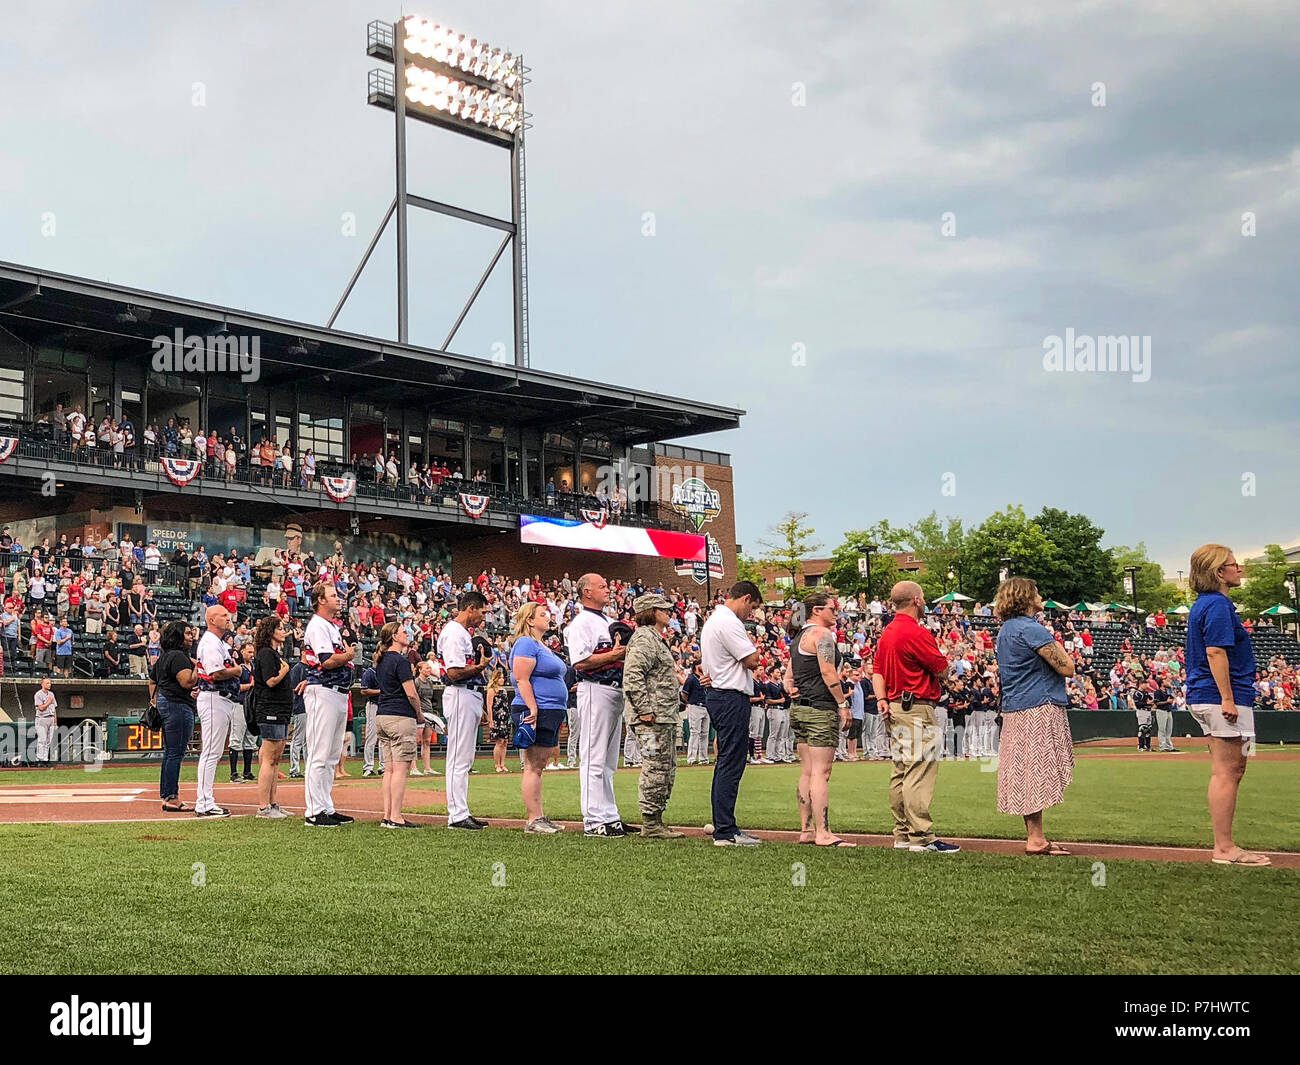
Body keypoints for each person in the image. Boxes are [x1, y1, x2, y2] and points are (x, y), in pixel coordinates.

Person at [1184, 544, 1269, 866]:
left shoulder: (1209, 604)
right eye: (1234, 564)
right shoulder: (1217, 605)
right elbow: (1215, 652)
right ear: (1220, 572)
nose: (1240, 569)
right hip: (1220, 695)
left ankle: (1225, 846)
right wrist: (1228, 698)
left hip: (1212, 694)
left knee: (1231, 769)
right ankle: (1224, 848)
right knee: (1228, 770)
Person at [872, 581, 960, 853]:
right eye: (922, 598)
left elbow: (877, 671)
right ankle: (921, 836)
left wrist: (882, 699)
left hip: (895, 706)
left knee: (900, 770)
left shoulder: (887, 632)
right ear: (916, 601)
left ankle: (902, 833)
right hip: (917, 706)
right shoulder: (915, 632)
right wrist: (950, 665)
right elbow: (942, 669)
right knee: (918, 770)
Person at [992, 578, 1075, 855]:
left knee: (1025, 771)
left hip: (1015, 706)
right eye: (1036, 592)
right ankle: (1036, 839)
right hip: (1039, 704)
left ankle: (1035, 836)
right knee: (1038, 771)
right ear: (1025, 597)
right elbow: (1067, 667)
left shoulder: (1005, 630)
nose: (1040, 595)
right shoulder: (1031, 628)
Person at [785, 591, 855, 846]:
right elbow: (828, 672)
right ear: (816, 610)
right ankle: (823, 833)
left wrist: (790, 688)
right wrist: (842, 704)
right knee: (820, 772)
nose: (835, 613)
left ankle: (806, 830)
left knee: (806, 771)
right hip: (819, 709)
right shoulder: (821, 635)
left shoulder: (799, 637)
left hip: (799, 709)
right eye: (831, 609)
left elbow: (788, 676)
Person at [565, 573, 631, 837]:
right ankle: (593, 820)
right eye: (602, 586)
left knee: (608, 760)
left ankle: (609, 815)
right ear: (586, 592)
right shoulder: (581, 622)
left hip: (615, 690)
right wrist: (613, 654)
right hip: (594, 688)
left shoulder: (610, 621)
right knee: (593, 757)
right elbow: (579, 663)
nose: (608, 589)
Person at [700, 580, 764, 846]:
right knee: (731, 762)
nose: (751, 615)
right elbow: (753, 660)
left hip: (721, 692)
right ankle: (725, 830)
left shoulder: (716, 619)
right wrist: (752, 645)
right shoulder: (728, 621)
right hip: (729, 695)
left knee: (727, 760)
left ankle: (723, 824)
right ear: (745, 598)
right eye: (753, 607)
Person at [622, 593, 685, 839]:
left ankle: (656, 819)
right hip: (650, 719)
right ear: (652, 612)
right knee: (655, 768)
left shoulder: (654, 639)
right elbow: (633, 676)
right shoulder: (644, 640)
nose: (668, 612)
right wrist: (645, 710)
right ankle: (650, 823)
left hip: (662, 716)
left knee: (665, 768)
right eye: (663, 609)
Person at [300, 582, 357, 827]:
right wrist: (348, 655)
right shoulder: (318, 625)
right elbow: (327, 661)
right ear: (320, 600)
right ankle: (314, 811)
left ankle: (326, 806)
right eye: (333, 595)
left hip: (337, 692)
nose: (338, 598)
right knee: (319, 753)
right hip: (322, 691)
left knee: (332, 755)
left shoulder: (331, 626)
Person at [509, 602, 569, 833]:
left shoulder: (539, 645)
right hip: (536, 708)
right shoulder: (525, 642)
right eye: (542, 614)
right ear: (530, 620)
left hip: (549, 708)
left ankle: (539, 816)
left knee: (539, 765)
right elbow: (521, 678)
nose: (548, 617)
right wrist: (532, 708)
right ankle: (534, 819)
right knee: (533, 765)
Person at [438, 590, 491, 829]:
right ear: (470, 608)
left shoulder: (462, 633)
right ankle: (457, 814)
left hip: (469, 693)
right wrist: (479, 667)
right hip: (459, 692)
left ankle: (462, 810)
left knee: (465, 757)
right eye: (482, 610)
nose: (483, 616)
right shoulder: (452, 632)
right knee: (458, 757)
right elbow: (453, 672)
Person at [371, 622, 425, 828]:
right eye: (403, 631)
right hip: (400, 716)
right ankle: (396, 816)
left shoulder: (382, 660)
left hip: (383, 715)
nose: (407, 633)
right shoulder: (400, 661)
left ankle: (387, 815)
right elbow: (411, 692)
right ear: (394, 636)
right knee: (401, 769)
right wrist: (419, 713)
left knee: (389, 769)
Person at [193, 605, 241, 817]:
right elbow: (216, 673)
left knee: (213, 752)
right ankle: (204, 803)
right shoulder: (211, 642)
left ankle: (205, 801)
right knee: (211, 752)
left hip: (220, 699)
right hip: (213, 698)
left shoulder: (218, 642)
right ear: (211, 620)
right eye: (223, 615)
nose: (227, 617)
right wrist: (237, 670)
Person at [149, 621, 198, 812]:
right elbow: (187, 682)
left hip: (167, 702)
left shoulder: (164, 657)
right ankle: (171, 797)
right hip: (177, 705)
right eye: (187, 633)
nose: (191, 636)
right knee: (175, 753)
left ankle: (167, 795)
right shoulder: (179, 656)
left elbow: (152, 681)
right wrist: (198, 666)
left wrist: (155, 702)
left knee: (170, 752)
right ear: (178, 636)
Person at [251, 615, 292, 819]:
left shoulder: (274, 653)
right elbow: (270, 681)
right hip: (270, 710)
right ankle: (263, 806)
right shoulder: (266, 654)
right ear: (271, 632)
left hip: (281, 710)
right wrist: (285, 670)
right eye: (280, 628)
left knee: (275, 759)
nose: (283, 631)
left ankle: (273, 803)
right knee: (269, 757)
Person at [227, 642, 258, 783]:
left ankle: (247, 771)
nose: (251, 655)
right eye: (249, 652)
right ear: (242, 652)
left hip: (251, 705)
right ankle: (233, 773)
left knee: (250, 739)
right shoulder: (238, 668)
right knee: (236, 737)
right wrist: (250, 686)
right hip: (239, 704)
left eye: (252, 652)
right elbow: (235, 687)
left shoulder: (254, 668)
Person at [412, 660, 442, 776]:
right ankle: (413, 767)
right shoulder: (416, 682)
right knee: (417, 740)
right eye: (427, 668)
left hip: (429, 712)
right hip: (420, 712)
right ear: (420, 670)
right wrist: (418, 711)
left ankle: (427, 767)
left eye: (430, 668)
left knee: (427, 741)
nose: (429, 670)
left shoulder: (429, 682)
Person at [359, 658, 386, 778]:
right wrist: (380, 691)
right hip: (373, 705)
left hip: (384, 705)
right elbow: (363, 690)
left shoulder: (384, 672)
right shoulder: (370, 672)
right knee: (371, 737)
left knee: (383, 737)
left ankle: (383, 766)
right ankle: (368, 767)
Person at [681, 660, 710, 765]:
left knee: (705, 734)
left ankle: (704, 758)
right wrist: (689, 702)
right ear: (697, 666)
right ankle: (691, 758)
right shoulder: (691, 679)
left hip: (706, 707)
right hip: (695, 706)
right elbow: (684, 694)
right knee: (694, 733)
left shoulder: (705, 678)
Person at [487, 665, 512, 773]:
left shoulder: (504, 690)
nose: (502, 679)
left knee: (505, 741)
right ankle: (497, 764)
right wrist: (490, 720)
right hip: (497, 718)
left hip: (505, 718)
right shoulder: (492, 690)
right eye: (500, 677)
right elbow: (489, 706)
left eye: (503, 677)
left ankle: (502, 764)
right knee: (499, 741)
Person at [286, 660, 308, 778]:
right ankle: (294, 769)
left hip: (310, 707)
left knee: (308, 741)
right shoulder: (298, 668)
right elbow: (293, 687)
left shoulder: (311, 667)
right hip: (301, 706)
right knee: (298, 739)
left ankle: (307, 768)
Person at [33, 677, 57, 764]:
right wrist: (48, 702)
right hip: (42, 718)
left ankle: (45, 759)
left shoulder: (51, 694)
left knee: (49, 741)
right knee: (42, 739)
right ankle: (39, 758)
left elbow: (54, 709)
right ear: (42, 684)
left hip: (50, 718)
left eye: (50, 683)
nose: (49, 685)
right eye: (47, 683)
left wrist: (55, 722)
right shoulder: (38, 694)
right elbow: (41, 708)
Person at [1152, 677, 1178, 753]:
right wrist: (1167, 702)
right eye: (1165, 681)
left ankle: (1169, 746)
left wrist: (1172, 688)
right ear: (1162, 683)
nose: (1167, 682)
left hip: (1169, 711)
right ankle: (1162, 746)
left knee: (1169, 730)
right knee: (1162, 729)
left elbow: (1174, 696)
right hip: (1161, 711)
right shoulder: (1158, 692)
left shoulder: (1168, 691)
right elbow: (1157, 703)